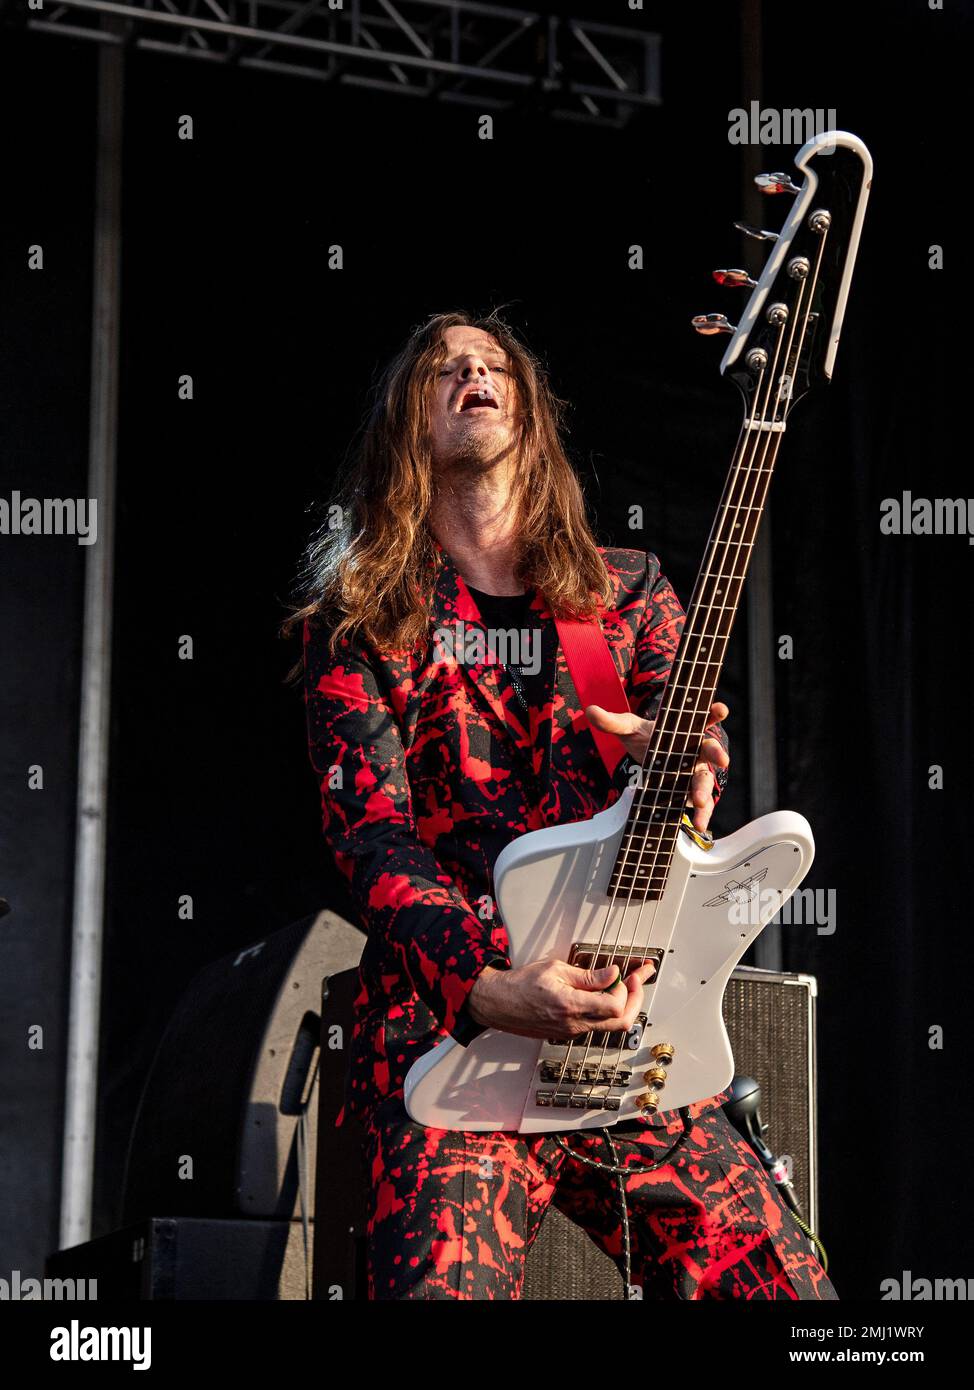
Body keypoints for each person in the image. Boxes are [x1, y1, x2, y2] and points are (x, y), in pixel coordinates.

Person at [290, 310, 836, 1301]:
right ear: (404, 423)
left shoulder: (626, 596)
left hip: (627, 1039)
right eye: (443, 366)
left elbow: (688, 761)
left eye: (494, 363)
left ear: (530, 417)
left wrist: (683, 767)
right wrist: (485, 984)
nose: (473, 373)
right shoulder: (359, 621)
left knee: (791, 1295)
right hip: (451, 1036)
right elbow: (371, 839)